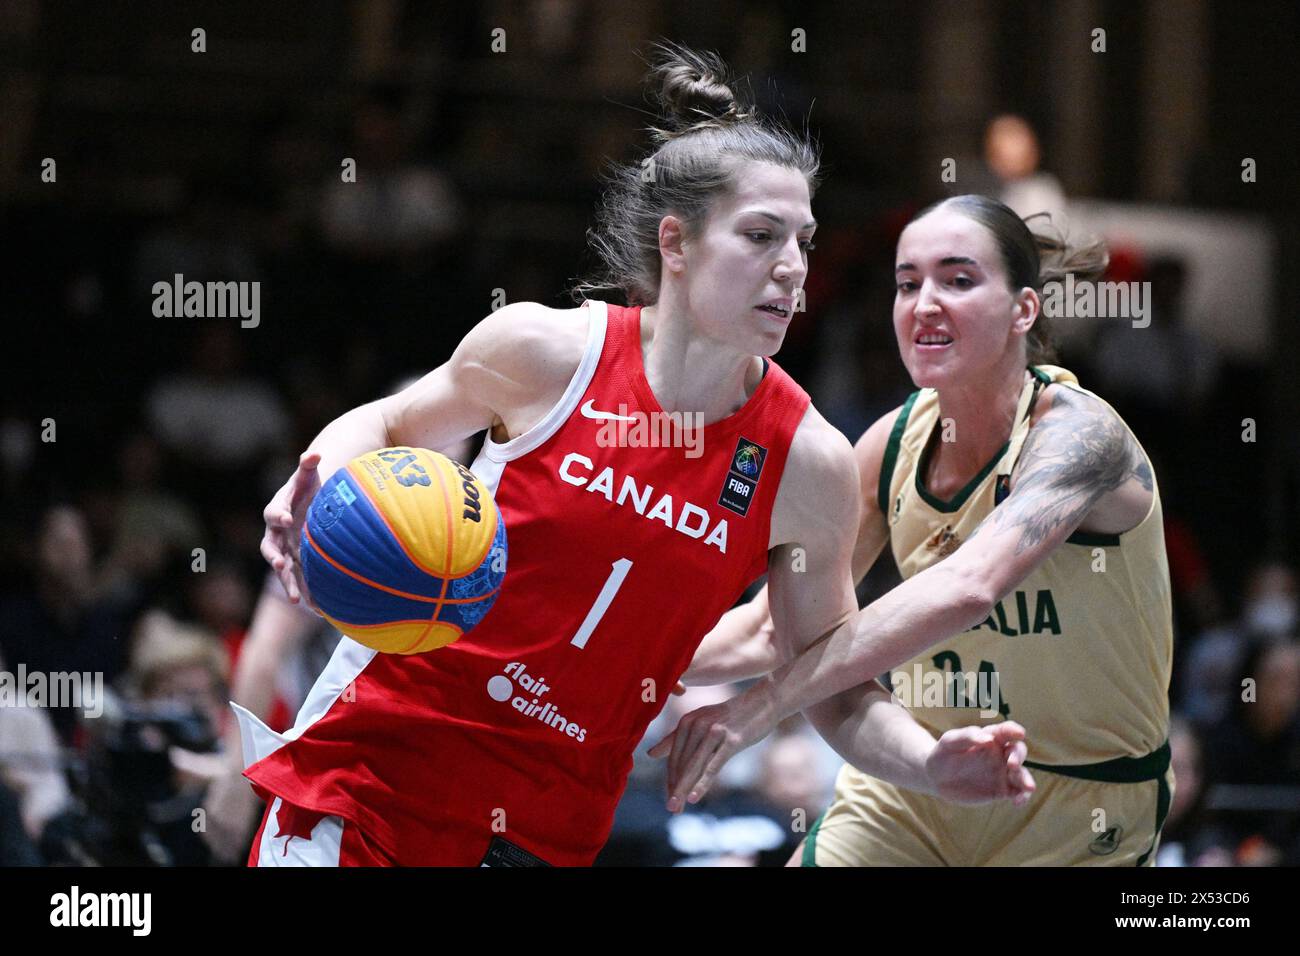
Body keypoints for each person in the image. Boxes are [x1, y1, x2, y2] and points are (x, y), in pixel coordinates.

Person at [244, 46, 1033, 868]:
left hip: (546, 837)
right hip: (372, 778)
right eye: (761, 236)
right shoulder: (542, 352)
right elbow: (387, 423)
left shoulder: (806, 462)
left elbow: (825, 677)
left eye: (804, 240)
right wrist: (316, 478)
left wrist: (930, 764)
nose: (793, 267)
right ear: (677, 244)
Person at [660, 194, 1174, 866]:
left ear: (1024, 310)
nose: (924, 302)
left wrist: (759, 709)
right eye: (908, 283)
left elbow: (969, 585)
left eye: (959, 280)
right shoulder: (891, 442)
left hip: (1082, 806)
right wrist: (624, 656)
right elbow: (768, 627)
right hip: (919, 778)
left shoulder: (1082, 435)